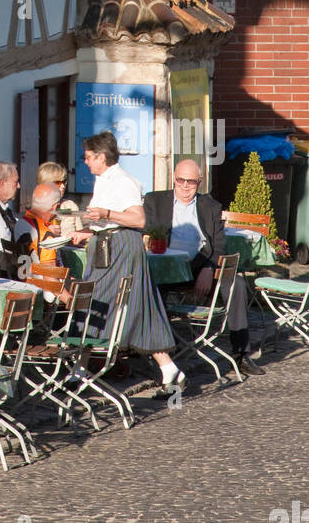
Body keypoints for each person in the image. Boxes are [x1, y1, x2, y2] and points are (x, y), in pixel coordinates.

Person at [70, 132, 184, 388]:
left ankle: (80, 368)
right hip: (105, 245)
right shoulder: (102, 180)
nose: (85, 162)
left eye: (88, 157)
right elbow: (107, 222)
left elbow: (139, 220)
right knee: (126, 303)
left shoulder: (124, 181)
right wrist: (86, 232)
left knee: (96, 302)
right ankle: (168, 366)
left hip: (120, 248)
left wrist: (105, 213)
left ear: (102, 157)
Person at [144, 159, 262, 376]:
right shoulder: (155, 201)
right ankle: (160, 347)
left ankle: (241, 354)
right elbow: (145, 231)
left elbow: (219, 245)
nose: (185, 186)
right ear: (174, 178)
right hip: (165, 268)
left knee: (236, 283)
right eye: (181, 180)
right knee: (147, 285)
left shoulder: (210, 206)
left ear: (200, 182)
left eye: (191, 182)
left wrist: (208, 269)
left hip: (199, 265)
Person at [18, 183, 62, 265]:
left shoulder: (20, 222)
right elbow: (49, 276)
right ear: (55, 206)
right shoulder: (46, 238)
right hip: (39, 277)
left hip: (21, 276)